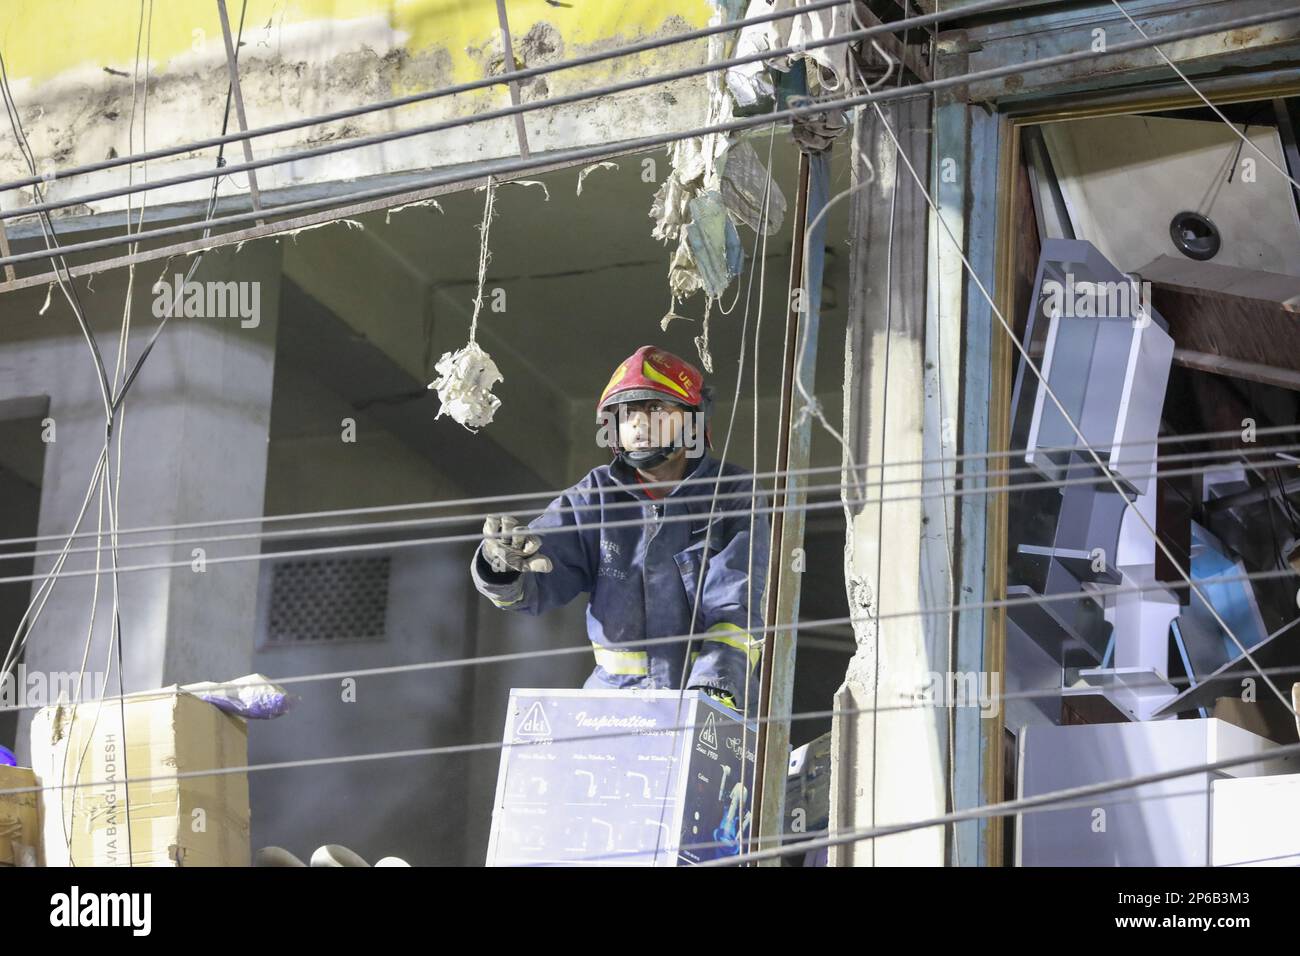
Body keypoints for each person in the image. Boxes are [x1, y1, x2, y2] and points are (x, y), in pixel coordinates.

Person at [470, 346, 769, 712]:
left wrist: (712, 697)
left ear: (694, 420)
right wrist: (498, 564)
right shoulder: (595, 496)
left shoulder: (732, 493)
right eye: (627, 415)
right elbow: (538, 572)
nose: (639, 425)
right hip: (615, 712)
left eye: (656, 410)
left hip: (713, 703)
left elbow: (735, 606)